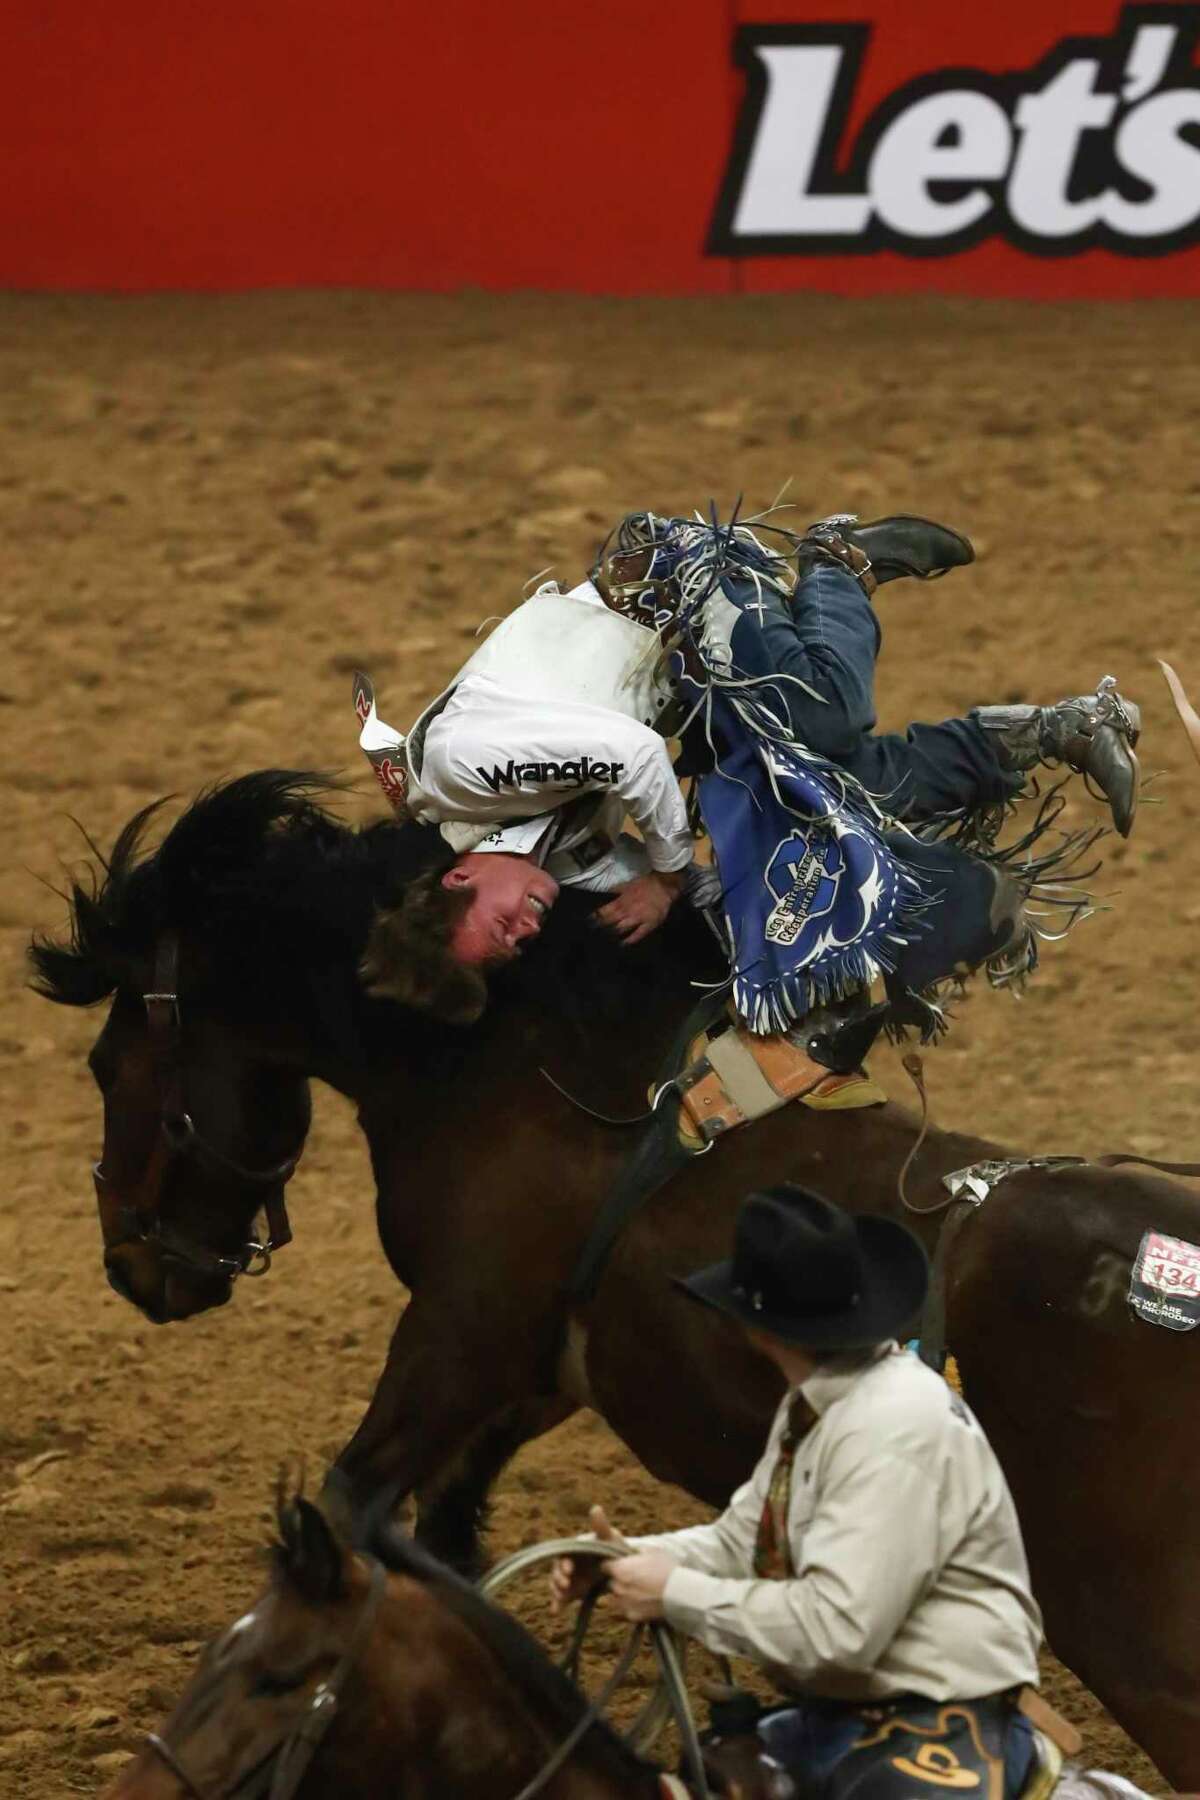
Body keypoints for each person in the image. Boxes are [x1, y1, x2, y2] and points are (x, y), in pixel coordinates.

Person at [359, 510, 1140, 1031]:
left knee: (823, 714)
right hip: (681, 684)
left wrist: (665, 874)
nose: (528, 928)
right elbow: (709, 892)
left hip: (677, 588)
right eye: (518, 944)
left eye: (503, 925)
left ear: (458, 881)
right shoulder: (553, 855)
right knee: (833, 790)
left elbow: (632, 761)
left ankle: (836, 561)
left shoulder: (465, 773)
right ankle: (1063, 730)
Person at [549, 1184, 1052, 1800]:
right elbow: (743, 1541)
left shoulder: (889, 1426)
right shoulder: (823, 1406)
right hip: (855, 1719)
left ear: (754, 1327)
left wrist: (671, 1593)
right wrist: (625, 1560)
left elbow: (839, 1632)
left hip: (942, 1725)